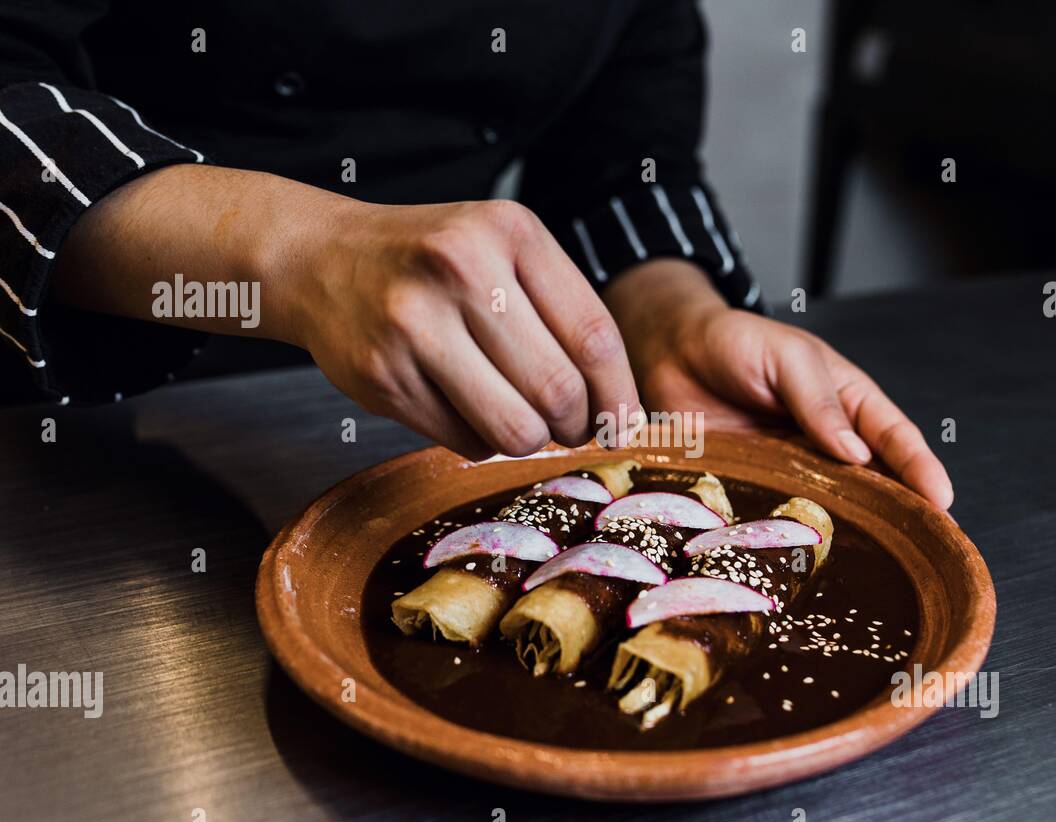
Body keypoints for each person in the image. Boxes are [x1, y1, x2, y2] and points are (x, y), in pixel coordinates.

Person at [0, 0, 952, 508]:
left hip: (450, 436)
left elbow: (624, 161)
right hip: (75, 437)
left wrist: (673, 316)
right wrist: (300, 255)